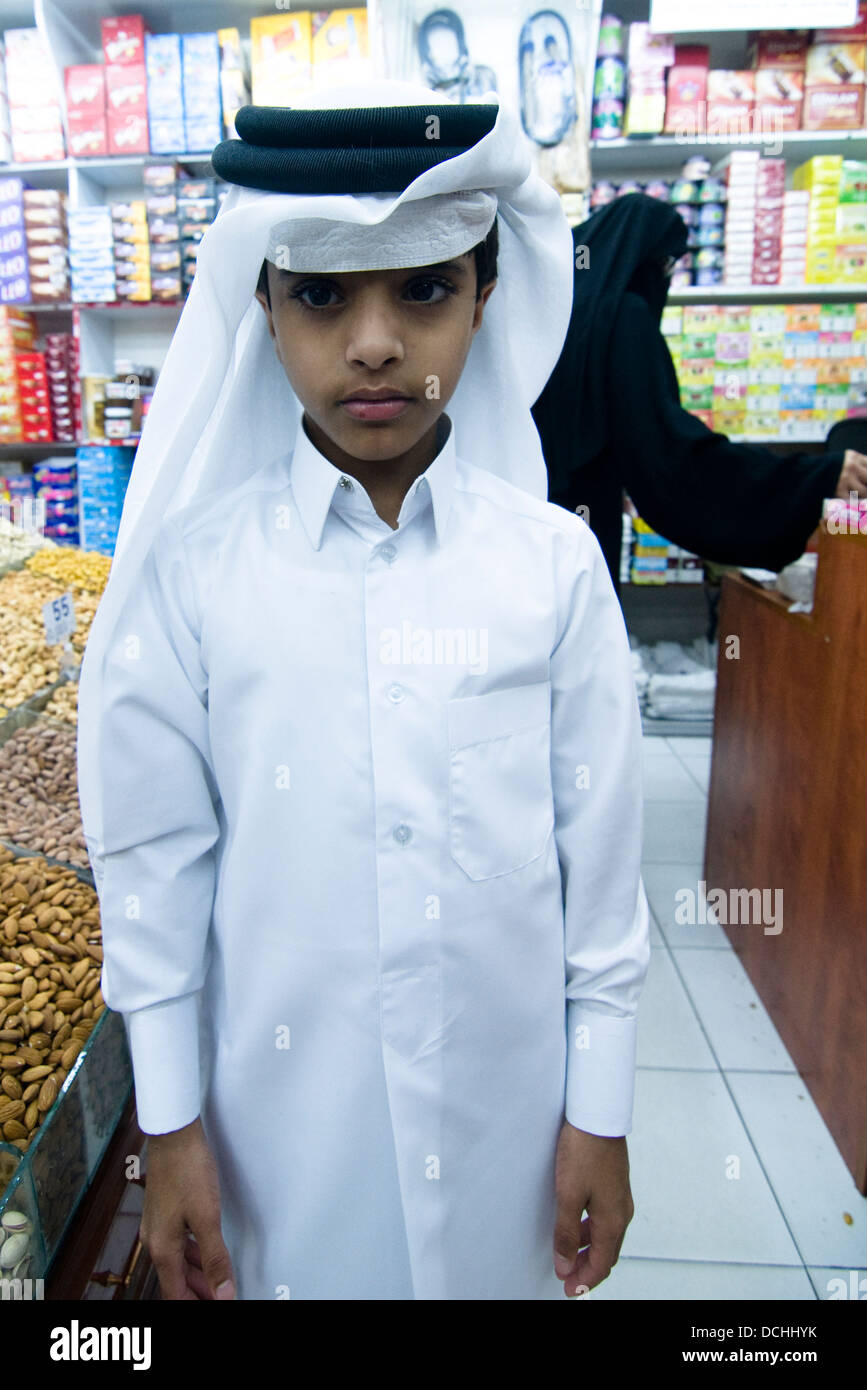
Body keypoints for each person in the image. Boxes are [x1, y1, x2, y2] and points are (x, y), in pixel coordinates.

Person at [76, 81, 650, 1302]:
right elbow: (157, 868)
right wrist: (170, 1127)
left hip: (507, 1130)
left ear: (486, 298)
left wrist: (599, 1106)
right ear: (265, 306)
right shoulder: (193, 578)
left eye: (425, 289)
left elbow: (600, 877)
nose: (376, 342)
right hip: (280, 1146)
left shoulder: (551, 570)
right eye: (324, 295)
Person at [531, 192, 867, 596]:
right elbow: (674, 460)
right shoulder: (625, 316)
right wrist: (818, 477)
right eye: (666, 264)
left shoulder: (556, 307)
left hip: (521, 526)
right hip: (579, 539)